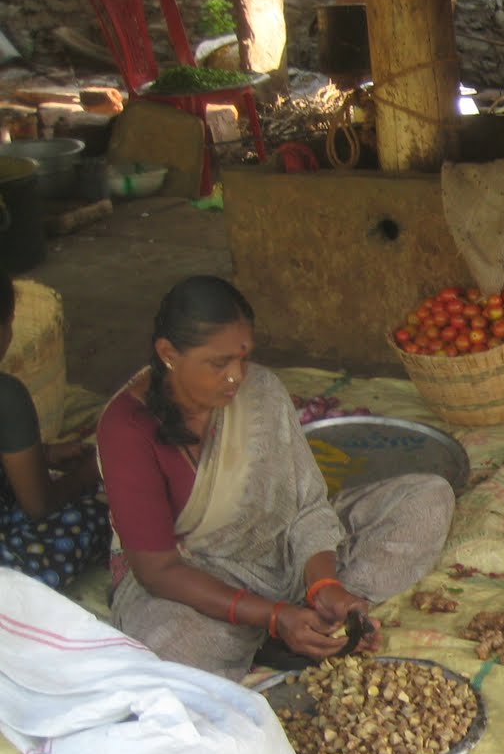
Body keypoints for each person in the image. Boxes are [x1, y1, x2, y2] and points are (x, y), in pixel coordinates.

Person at [96, 275, 456, 680]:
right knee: (172, 654)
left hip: (284, 554)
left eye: (243, 358)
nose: (236, 376)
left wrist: (324, 587)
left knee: (428, 499)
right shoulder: (125, 427)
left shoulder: (260, 391)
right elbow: (158, 571)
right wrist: (272, 615)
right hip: (196, 579)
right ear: (168, 354)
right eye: (219, 363)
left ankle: (319, 618)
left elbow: (304, 508)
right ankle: (280, 632)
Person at [0, 272, 111, 590]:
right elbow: (39, 505)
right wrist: (90, 472)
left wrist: (44, 454)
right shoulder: (6, 396)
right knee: (106, 505)